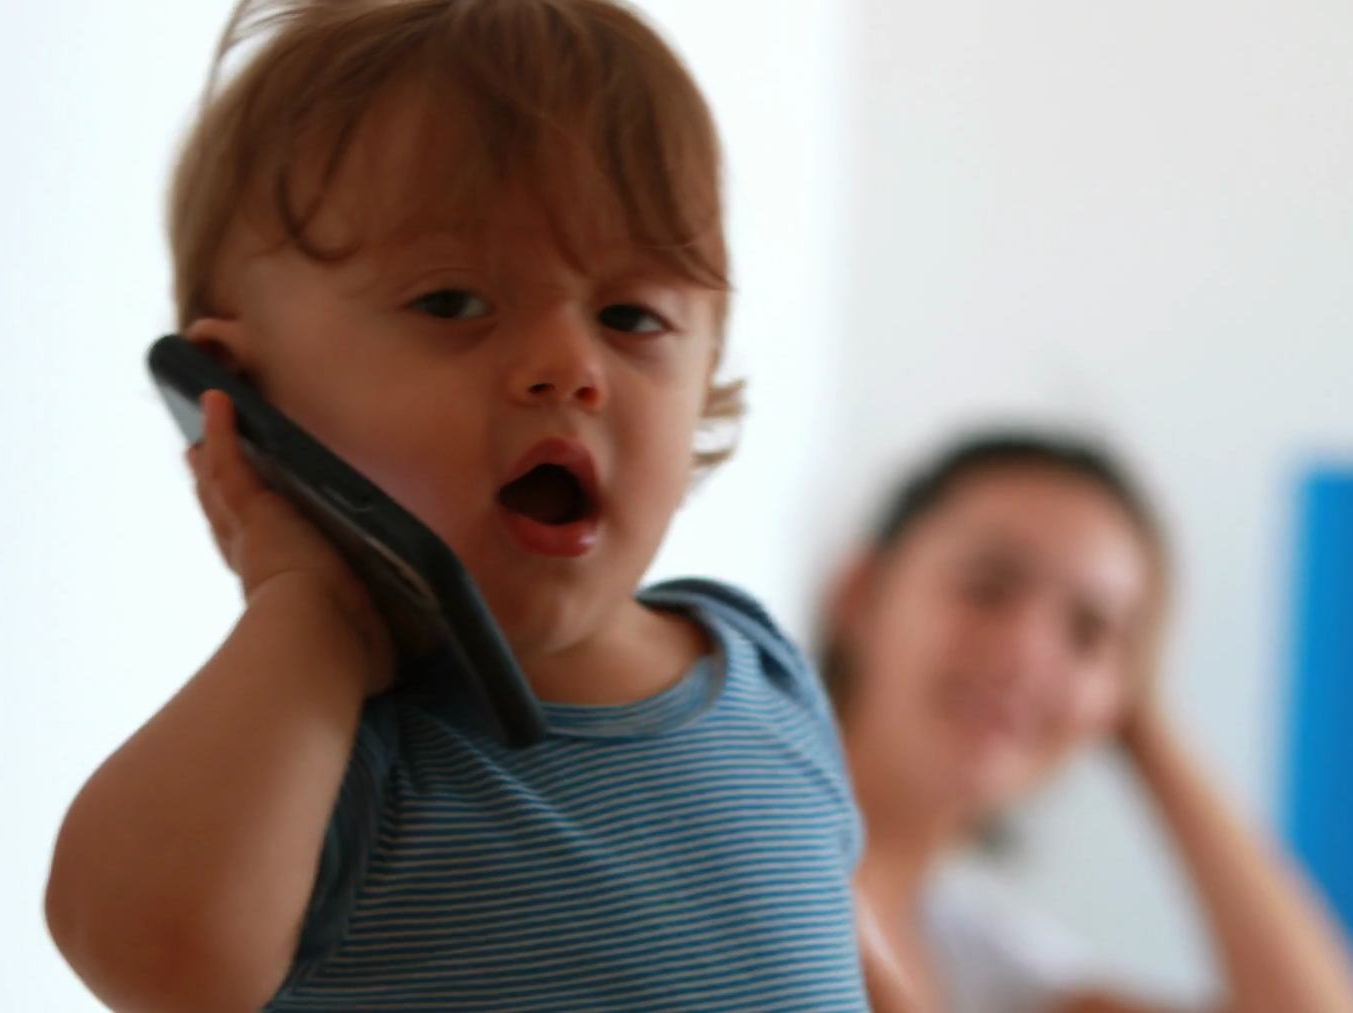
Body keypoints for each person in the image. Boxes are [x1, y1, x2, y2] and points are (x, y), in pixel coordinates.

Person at [44, 1, 905, 1010]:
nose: (568, 368)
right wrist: (309, 609)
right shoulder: (324, 757)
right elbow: (158, 954)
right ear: (247, 403)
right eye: (454, 303)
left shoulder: (759, 671)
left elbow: (851, 961)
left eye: (631, 316)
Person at [826, 433, 1353, 1013]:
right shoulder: (745, 859)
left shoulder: (980, 965)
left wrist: (1145, 725)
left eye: (1088, 633)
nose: (1027, 655)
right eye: (988, 589)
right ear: (862, 593)